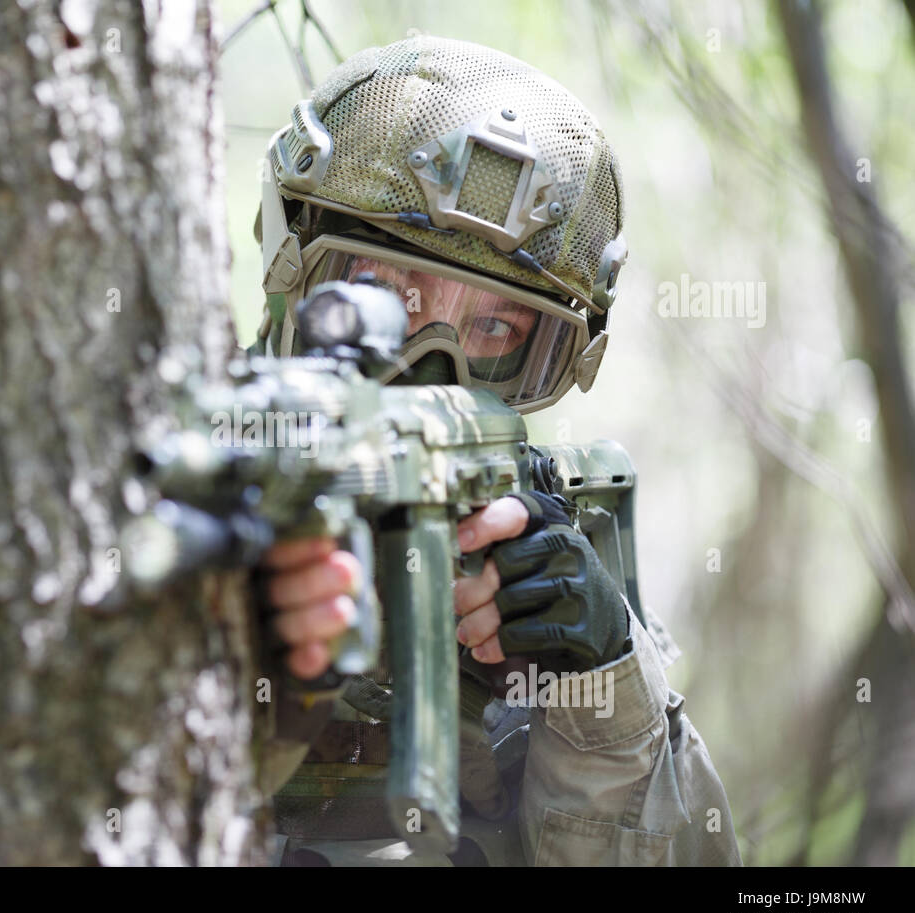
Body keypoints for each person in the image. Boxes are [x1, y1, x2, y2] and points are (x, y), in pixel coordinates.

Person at [246, 35, 741, 866]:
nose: (436, 366)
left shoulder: (547, 542)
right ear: (291, 267)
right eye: (384, 299)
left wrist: (603, 685)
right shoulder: (182, 476)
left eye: (496, 331)